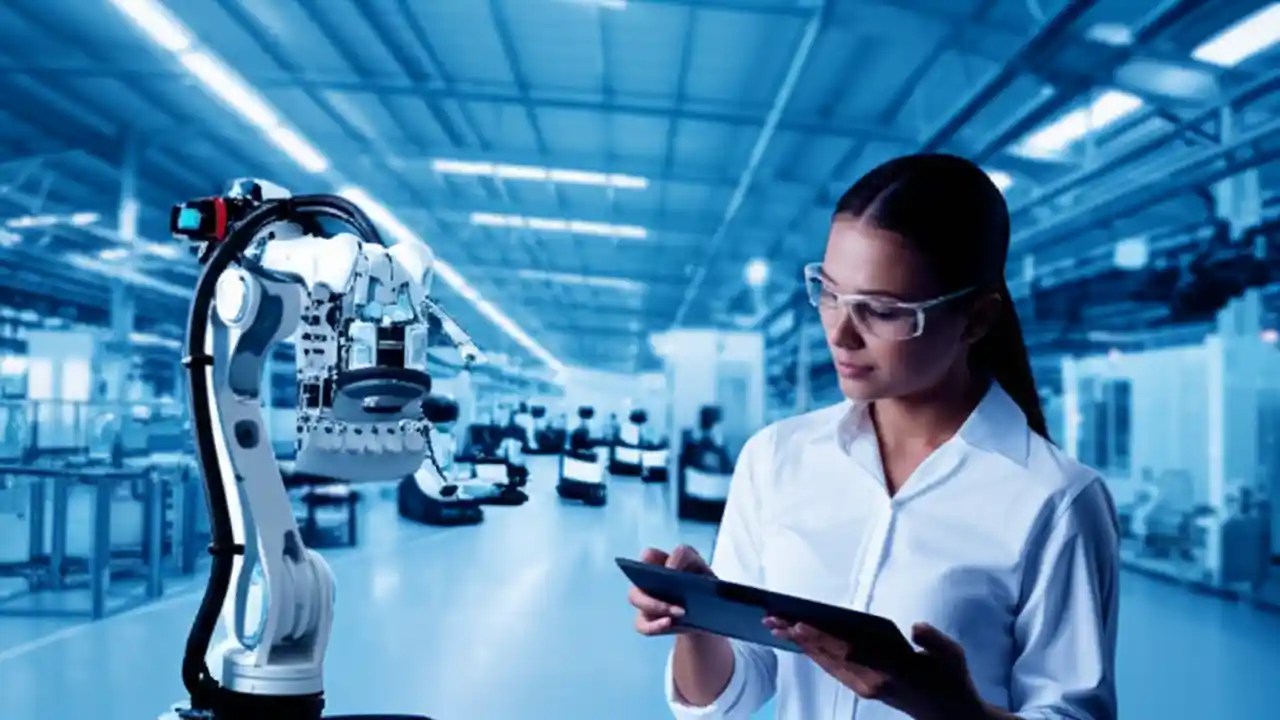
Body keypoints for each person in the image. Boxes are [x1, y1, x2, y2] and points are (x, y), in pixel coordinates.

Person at [627, 154, 1120, 720]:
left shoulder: (1056, 501)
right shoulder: (776, 458)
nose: (840, 332)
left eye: (882, 311)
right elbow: (734, 694)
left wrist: (954, 710)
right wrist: (697, 622)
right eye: (829, 292)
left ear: (977, 320)